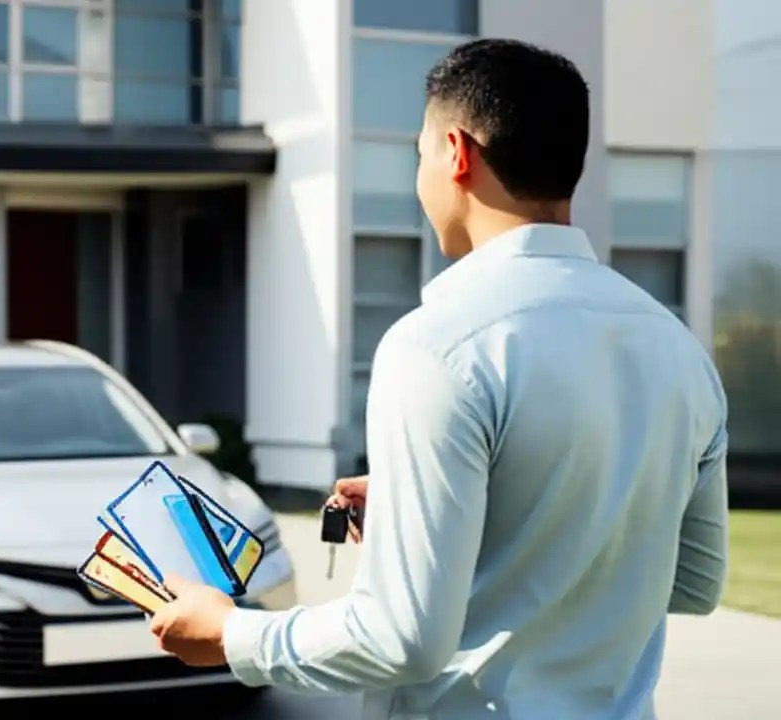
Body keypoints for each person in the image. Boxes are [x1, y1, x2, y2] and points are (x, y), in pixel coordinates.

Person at [148, 38, 729, 719]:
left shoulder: (436, 348)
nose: (417, 172)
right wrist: (446, 513)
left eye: (417, 152)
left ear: (457, 151)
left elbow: (402, 640)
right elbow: (692, 582)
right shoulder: (678, 349)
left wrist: (231, 634)